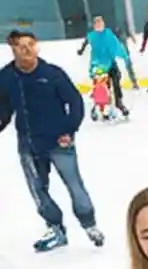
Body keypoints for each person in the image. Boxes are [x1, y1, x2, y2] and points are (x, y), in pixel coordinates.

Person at [0, 30, 104, 253]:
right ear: (13, 49)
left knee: (75, 185)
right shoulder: (6, 77)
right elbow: (4, 109)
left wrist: (69, 129)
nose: (27, 49)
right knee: (38, 189)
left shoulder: (52, 73)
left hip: (59, 141)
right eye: (21, 46)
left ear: (37, 46)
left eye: (30, 44)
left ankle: (89, 224)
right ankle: (55, 228)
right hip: (29, 145)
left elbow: (75, 101)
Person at [78, 16, 130, 118]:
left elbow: (116, 45)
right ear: (94, 26)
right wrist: (81, 50)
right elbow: (85, 43)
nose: (99, 25)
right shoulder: (92, 36)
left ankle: (119, 102)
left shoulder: (108, 34)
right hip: (97, 64)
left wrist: (124, 55)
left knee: (116, 79)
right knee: (100, 83)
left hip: (110, 63)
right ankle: (98, 105)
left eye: (100, 23)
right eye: (97, 23)